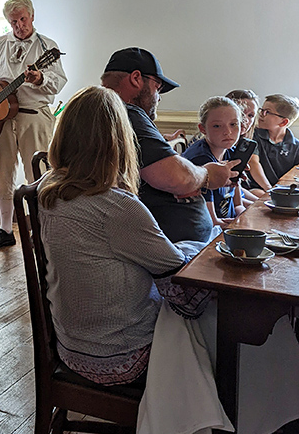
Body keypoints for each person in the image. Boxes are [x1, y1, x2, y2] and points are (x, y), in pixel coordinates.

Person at [37, 85, 211, 386]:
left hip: (69, 346)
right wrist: (208, 252)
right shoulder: (117, 206)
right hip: (119, 357)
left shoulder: (49, 188)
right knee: (210, 320)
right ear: (121, 141)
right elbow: (184, 296)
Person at [0, 0, 67, 251]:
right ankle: (5, 230)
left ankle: (42, 233)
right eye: (14, 21)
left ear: (32, 17)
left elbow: (59, 81)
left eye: (23, 19)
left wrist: (40, 78)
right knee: (3, 175)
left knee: (38, 176)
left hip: (35, 117)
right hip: (2, 120)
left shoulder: (47, 46)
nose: (19, 26)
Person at [101, 47, 237, 243]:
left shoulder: (107, 113)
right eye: (158, 87)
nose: (159, 97)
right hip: (169, 251)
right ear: (136, 78)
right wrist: (207, 175)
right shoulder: (127, 113)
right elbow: (176, 179)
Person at [183, 97, 244, 228]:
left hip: (227, 218)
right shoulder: (201, 159)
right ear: (203, 129)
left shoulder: (230, 152)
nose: (228, 132)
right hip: (204, 227)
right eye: (217, 126)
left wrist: (242, 213)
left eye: (233, 124)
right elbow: (212, 221)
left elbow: (237, 203)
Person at [225, 89, 272, 199]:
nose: (245, 119)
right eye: (241, 113)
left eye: (251, 115)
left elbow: (234, 189)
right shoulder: (219, 143)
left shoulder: (244, 141)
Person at [252, 93, 299, 187]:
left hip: (282, 189)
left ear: (283, 122)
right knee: (257, 193)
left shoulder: (296, 146)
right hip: (257, 187)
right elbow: (253, 163)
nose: (261, 115)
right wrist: (269, 190)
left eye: (267, 112)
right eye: (262, 110)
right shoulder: (254, 135)